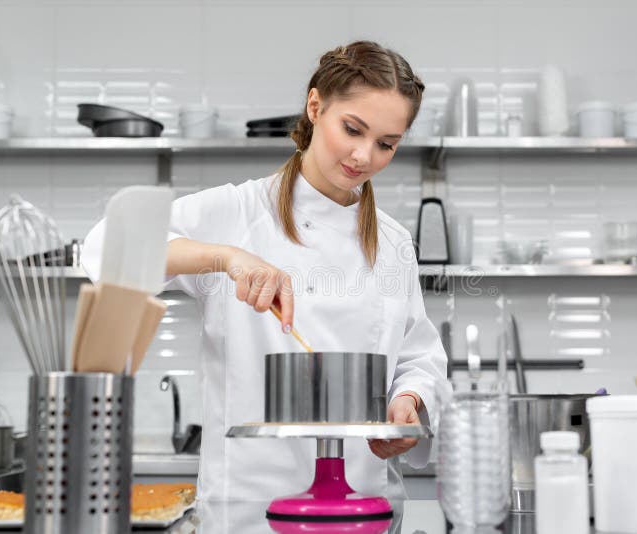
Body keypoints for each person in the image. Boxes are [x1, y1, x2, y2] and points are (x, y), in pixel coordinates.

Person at [82, 40, 448, 502]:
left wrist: (409, 403)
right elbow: (107, 248)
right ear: (315, 106)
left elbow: (419, 357)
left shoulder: (393, 243)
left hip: (364, 505)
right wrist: (225, 258)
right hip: (251, 507)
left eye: (386, 144)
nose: (362, 156)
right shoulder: (237, 212)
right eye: (352, 129)